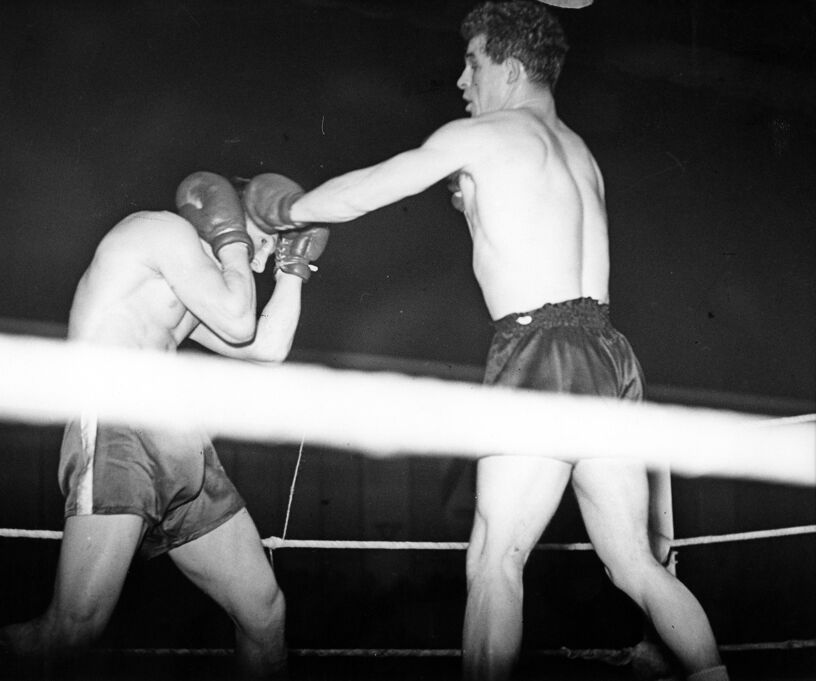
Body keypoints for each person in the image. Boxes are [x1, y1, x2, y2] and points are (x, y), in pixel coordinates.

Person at [241, 2, 728, 680]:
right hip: (609, 352)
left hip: (540, 352)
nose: (462, 80)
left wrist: (284, 210)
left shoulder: (484, 137)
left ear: (512, 67)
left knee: (495, 559)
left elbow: (367, 192)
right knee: (634, 564)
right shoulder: (580, 153)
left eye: (473, 63)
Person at [0, 171, 329, 679]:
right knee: (75, 629)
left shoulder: (198, 282)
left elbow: (267, 348)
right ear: (231, 213)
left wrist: (294, 270)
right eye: (264, 242)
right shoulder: (159, 231)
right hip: (119, 429)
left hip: (181, 443)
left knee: (264, 613)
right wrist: (234, 241)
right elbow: (241, 321)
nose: (260, 261)